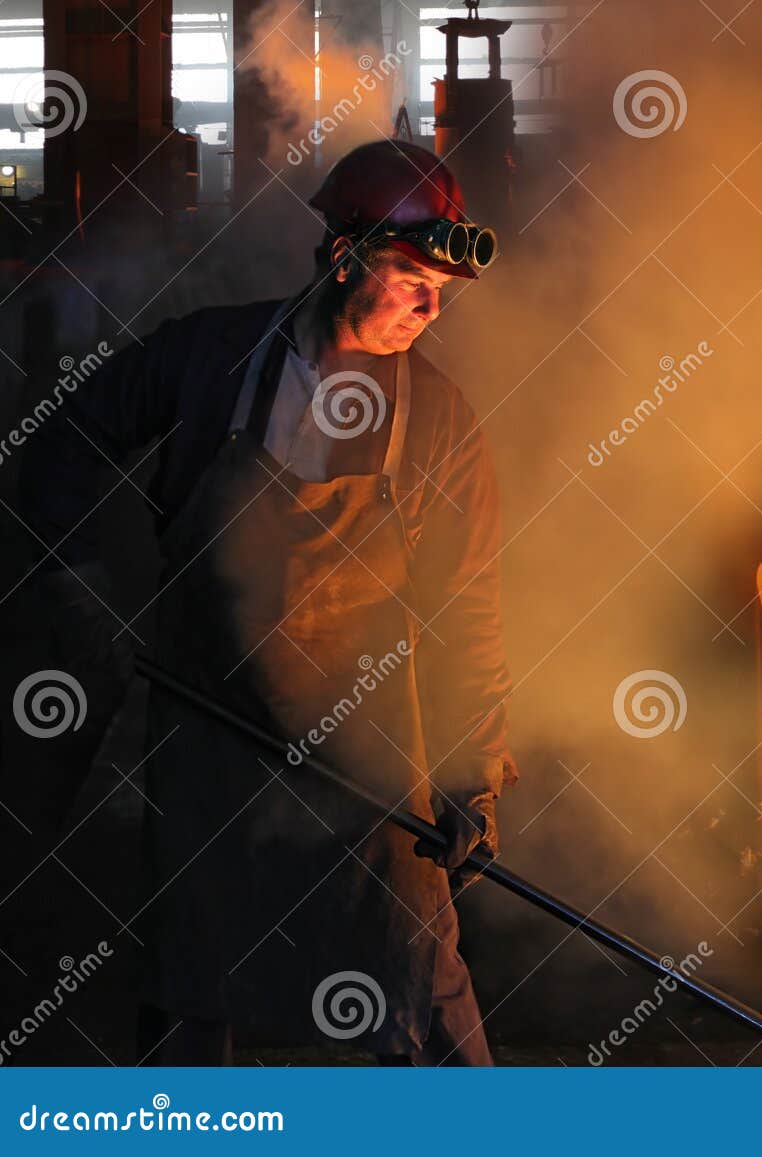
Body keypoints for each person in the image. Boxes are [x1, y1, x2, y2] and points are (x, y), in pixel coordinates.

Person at [17, 139, 515, 1065]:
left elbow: (468, 608)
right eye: (413, 280)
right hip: (212, 757)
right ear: (345, 256)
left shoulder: (441, 422)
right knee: (195, 993)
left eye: (444, 289)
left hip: (370, 771)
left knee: (422, 994)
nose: (431, 309)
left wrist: (473, 775)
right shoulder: (209, 359)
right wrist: (80, 585)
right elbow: (64, 441)